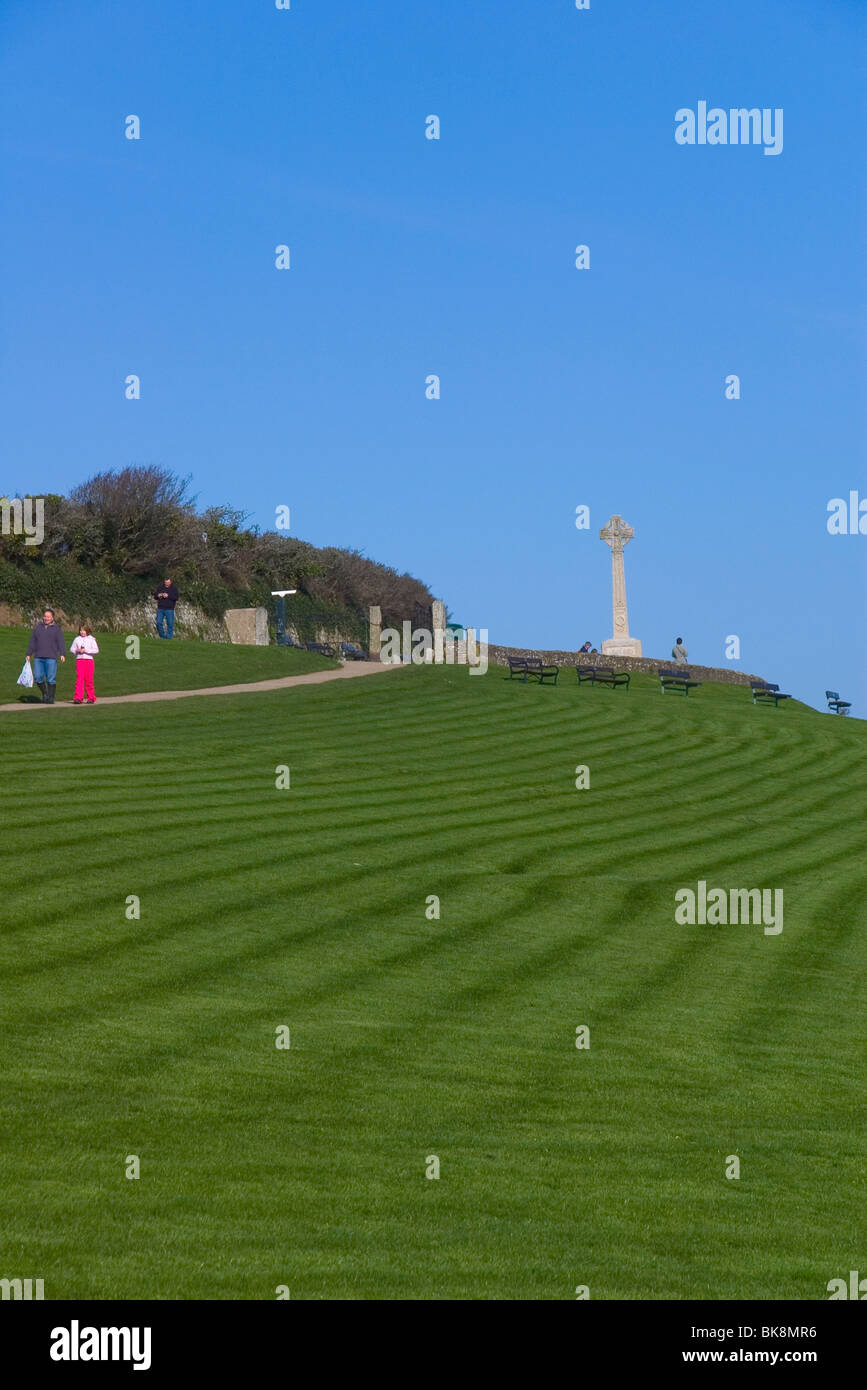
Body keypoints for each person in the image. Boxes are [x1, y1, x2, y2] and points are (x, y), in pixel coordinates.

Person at [26, 608, 66, 703]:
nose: (46, 618)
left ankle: (51, 698)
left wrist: (62, 654)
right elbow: (33, 642)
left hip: (51, 657)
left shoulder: (57, 629)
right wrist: (29, 654)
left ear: (52, 618)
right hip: (38, 657)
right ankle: (45, 693)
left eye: (48, 616)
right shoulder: (38, 628)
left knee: (51, 679)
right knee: (38, 677)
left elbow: (61, 642)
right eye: (45, 616)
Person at [70, 625, 99, 704]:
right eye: (81, 630)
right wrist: (77, 650)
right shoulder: (77, 639)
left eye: (84, 630)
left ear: (87, 631)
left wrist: (86, 650)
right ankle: (78, 697)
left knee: (89, 679)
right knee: (79, 679)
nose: (82, 632)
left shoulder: (91, 639)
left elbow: (96, 650)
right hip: (79, 660)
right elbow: (71, 649)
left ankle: (91, 697)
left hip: (89, 661)